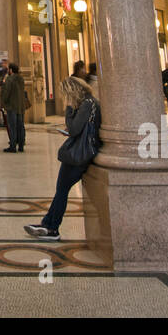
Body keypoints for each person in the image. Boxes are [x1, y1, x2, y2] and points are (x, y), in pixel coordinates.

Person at [24, 73, 100, 240]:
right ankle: (48, 224)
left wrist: (69, 109)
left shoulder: (86, 104)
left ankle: (52, 228)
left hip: (79, 155)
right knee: (61, 191)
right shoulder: (90, 102)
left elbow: (74, 129)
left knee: (62, 190)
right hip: (83, 152)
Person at [2, 62, 27, 153]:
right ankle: (21, 145)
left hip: (12, 106)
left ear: (11, 70)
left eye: (8, 69)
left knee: (12, 126)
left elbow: (7, 92)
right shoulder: (21, 78)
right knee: (20, 126)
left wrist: (4, 101)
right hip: (20, 106)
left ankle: (13, 146)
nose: (8, 70)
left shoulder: (9, 79)